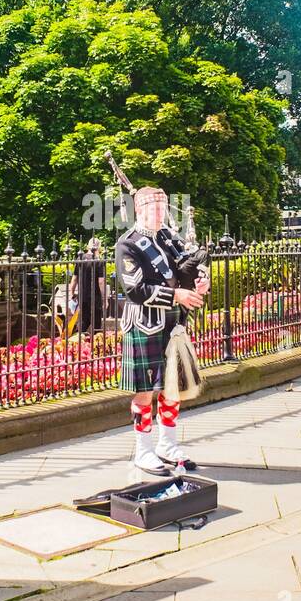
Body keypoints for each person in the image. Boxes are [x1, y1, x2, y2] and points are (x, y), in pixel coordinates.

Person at [115, 187, 210, 476]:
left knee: (173, 386)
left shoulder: (169, 238)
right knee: (145, 391)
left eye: (163, 207)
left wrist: (199, 283)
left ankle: (166, 445)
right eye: (153, 208)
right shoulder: (127, 244)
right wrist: (176, 296)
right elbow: (134, 289)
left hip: (174, 323)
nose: (159, 213)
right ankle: (143, 451)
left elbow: (185, 270)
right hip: (145, 322)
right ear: (139, 210)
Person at [70, 237, 107, 333]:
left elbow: (74, 278)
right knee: (96, 324)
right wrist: (105, 298)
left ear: (88, 246)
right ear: (99, 248)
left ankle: (77, 342)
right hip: (95, 297)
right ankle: (96, 345)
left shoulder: (80, 258)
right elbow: (101, 282)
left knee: (83, 321)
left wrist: (72, 293)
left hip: (83, 296)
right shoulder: (99, 261)